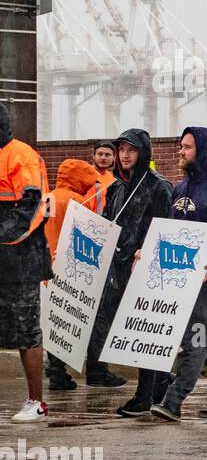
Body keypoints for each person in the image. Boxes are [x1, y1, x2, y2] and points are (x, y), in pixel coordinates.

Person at [147, 127, 207, 420]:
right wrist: (149, 251)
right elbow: (170, 231)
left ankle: (174, 400)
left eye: (187, 147)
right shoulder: (179, 189)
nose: (180, 151)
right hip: (181, 275)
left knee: (196, 336)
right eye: (180, 146)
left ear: (202, 151)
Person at [85, 129, 174, 392]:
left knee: (145, 328)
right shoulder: (116, 187)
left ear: (143, 152)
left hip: (144, 269)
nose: (124, 155)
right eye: (121, 149)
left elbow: (166, 227)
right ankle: (153, 382)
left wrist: (146, 251)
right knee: (118, 324)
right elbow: (106, 223)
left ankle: (156, 385)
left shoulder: (158, 186)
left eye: (131, 149)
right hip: (117, 268)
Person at [0, 104, 52, 422]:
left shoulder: (21, 155)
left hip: (22, 261)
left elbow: (33, 209)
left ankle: (36, 401)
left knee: (27, 331)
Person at [42, 157, 103, 392]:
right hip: (69, 268)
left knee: (52, 320)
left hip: (46, 266)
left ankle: (53, 368)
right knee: (66, 321)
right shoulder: (78, 201)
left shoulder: (46, 197)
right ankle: (58, 373)